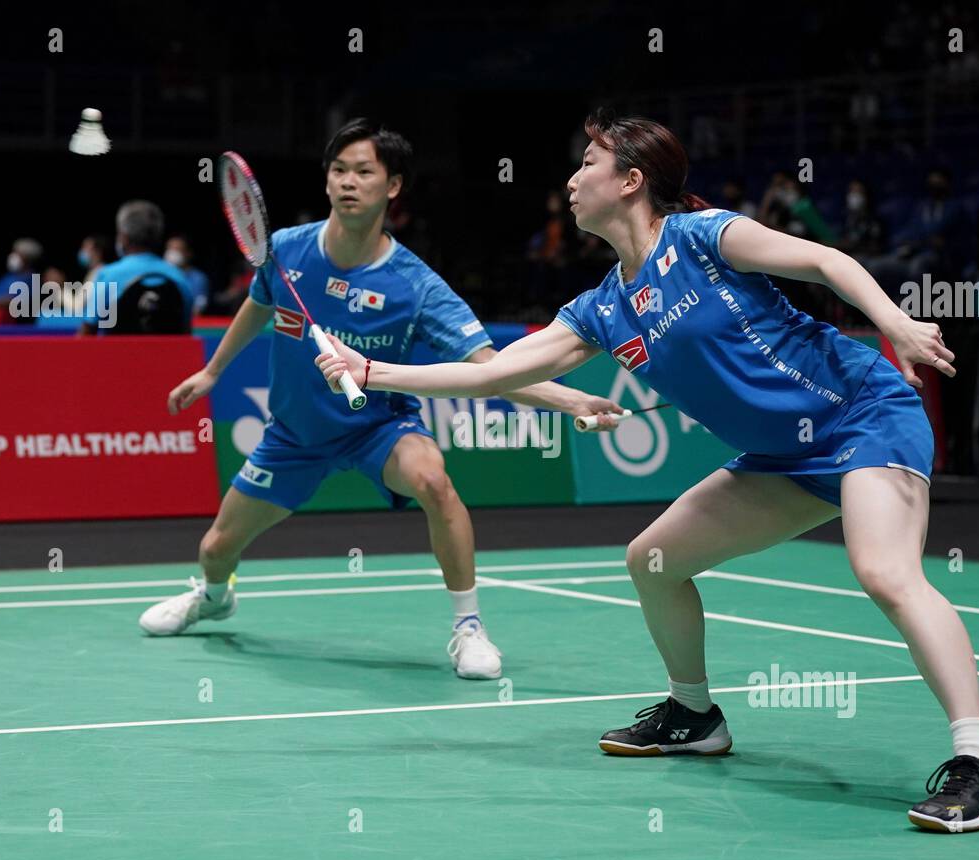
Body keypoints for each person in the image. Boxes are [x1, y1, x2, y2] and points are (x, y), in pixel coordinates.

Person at [317, 108, 979, 833]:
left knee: (884, 570)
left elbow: (823, 261)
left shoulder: (705, 236)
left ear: (630, 180)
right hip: (782, 458)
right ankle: (693, 714)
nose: (570, 178)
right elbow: (495, 374)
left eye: (585, 164)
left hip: (863, 414)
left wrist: (894, 322)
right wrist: (372, 369)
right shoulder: (603, 306)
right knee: (652, 560)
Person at [140, 118, 621, 680]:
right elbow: (259, 304)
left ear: (392, 186)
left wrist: (573, 403)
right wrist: (212, 372)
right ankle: (215, 596)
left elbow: (492, 370)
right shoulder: (287, 252)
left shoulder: (415, 285)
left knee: (435, 482)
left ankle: (468, 627)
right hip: (295, 434)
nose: (347, 182)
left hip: (379, 428)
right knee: (216, 547)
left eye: (363, 171)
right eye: (338, 170)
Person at [80, 201, 194, 334]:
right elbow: (186, 334)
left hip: (117, 355)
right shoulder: (179, 277)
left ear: (124, 237)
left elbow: (87, 334)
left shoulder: (107, 275)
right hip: (167, 355)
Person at [0, 237, 43, 317]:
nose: (13, 256)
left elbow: (18, 301)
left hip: (8, 322)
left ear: (28, 258)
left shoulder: (33, 279)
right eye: (14, 252)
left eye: (18, 254)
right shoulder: (7, 276)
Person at [165, 235, 211, 315]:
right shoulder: (162, 275)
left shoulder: (198, 278)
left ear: (189, 253)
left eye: (177, 250)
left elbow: (199, 306)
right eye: (170, 249)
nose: (172, 253)